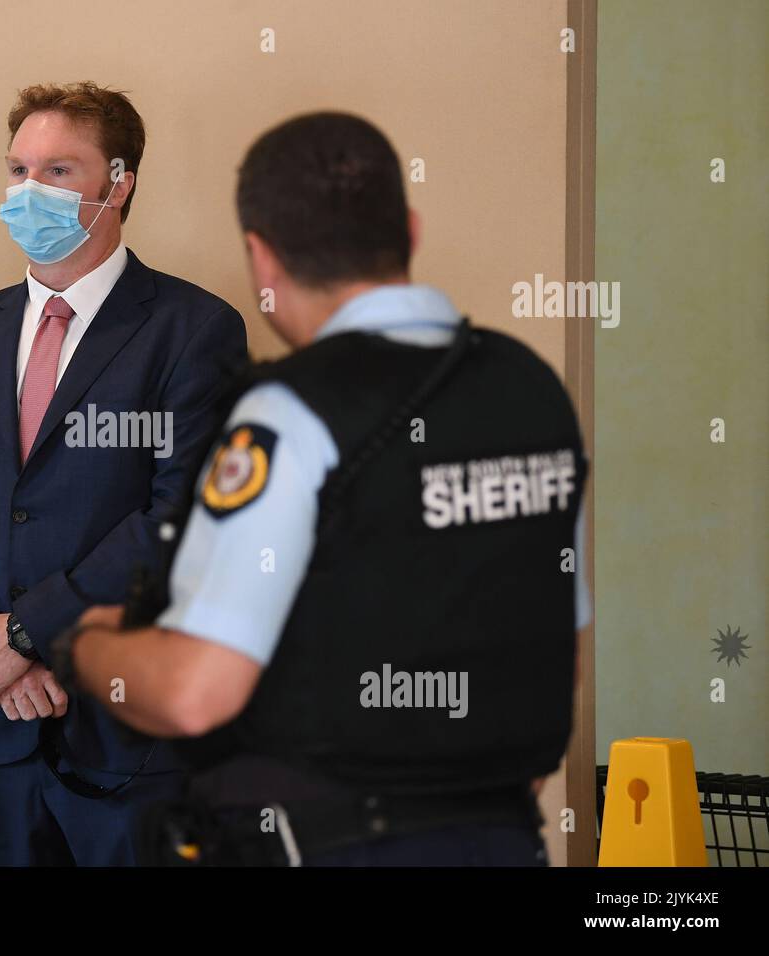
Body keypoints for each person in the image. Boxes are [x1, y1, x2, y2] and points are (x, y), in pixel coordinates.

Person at [54, 112, 591, 866]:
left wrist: (90, 646)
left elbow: (193, 694)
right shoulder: (530, 389)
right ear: (409, 227)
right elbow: (553, 652)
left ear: (260, 258)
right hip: (504, 838)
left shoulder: (287, 414)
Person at [0, 81, 248, 866]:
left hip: (129, 741)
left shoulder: (193, 331)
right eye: (18, 169)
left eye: (58, 171)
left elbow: (183, 520)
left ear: (117, 184)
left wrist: (28, 633)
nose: (30, 191)